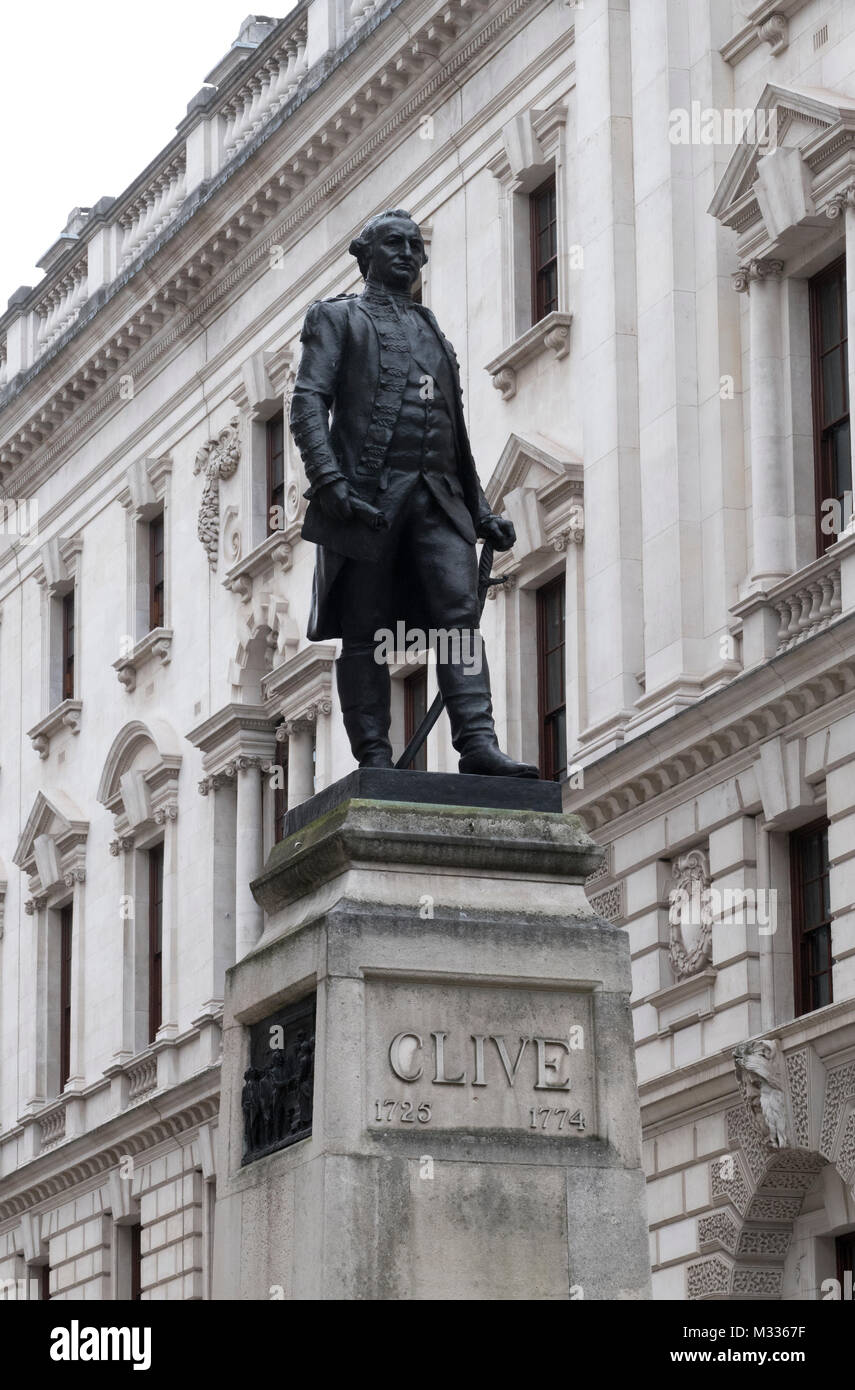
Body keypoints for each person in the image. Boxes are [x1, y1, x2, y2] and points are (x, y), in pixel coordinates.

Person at [289, 208, 538, 778]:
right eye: (392, 244)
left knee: (459, 617)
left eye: (413, 245)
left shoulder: (432, 331)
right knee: (365, 629)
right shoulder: (335, 318)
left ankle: (476, 741)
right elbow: (308, 401)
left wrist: (479, 511)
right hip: (367, 501)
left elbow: (455, 432)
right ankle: (373, 756)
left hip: (437, 497)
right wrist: (329, 482)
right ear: (366, 255)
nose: (405, 253)